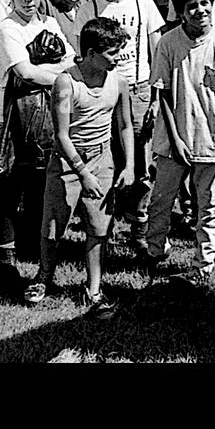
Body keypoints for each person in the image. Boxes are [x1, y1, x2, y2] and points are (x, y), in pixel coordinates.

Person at [24, 18, 135, 318]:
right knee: (52, 228)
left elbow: (125, 125)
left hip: (103, 160)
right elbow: (60, 135)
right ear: (89, 52)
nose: (118, 58)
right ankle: (43, 277)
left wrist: (131, 164)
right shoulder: (66, 82)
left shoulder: (118, 81)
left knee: (99, 229)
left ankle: (94, 289)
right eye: (111, 52)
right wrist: (81, 173)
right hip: (67, 161)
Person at [142, 0, 215, 286]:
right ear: (182, 13)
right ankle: (155, 252)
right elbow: (162, 94)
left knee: (208, 204)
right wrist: (176, 139)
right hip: (175, 138)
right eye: (192, 7)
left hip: (212, 137)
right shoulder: (169, 44)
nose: (200, 11)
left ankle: (203, 264)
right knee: (161, 200)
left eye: (204, 3)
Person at [0, 0, 75, 289]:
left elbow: (71, 59)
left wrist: (58, 75)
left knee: (42, 179)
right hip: (11, 116)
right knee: (8, 182)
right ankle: (5, 253)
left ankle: (31, 245)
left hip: (48, 114)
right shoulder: (7, 28)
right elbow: (26, 73)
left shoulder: (51, 22)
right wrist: (63, 80)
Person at [73, 0, 165, 251]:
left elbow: (158, 55)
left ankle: (139, 228)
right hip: (102, 93)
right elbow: (80, 56)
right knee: (104, 163)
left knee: (140, 163)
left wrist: (154, 97)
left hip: (138, 91)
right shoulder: (89, 8)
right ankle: (104, 231)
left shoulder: (144, 4)